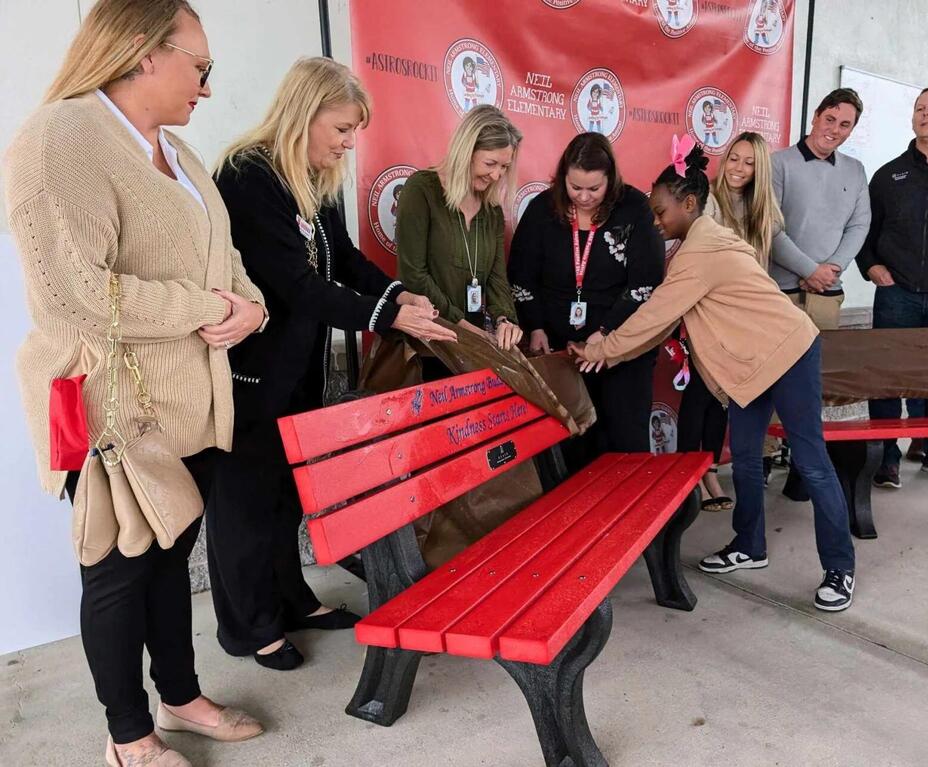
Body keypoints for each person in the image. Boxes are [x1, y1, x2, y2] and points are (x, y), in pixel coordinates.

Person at [3, 2, 265, 764]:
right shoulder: (59, 139)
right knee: (118, 572)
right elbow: (75, 293)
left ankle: (178, 697)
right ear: (145, 51)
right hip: (108, 407)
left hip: (189, 404)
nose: (209, 87)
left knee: (171, 559)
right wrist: (207, 308)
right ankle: (129, 736)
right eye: (201, 66)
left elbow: (224, 260)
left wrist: (249, 307)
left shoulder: (176, 152)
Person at [210, 58, 456, 671]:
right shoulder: (249, 176)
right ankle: (249, 626)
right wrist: (386, 317)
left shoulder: (311, 178)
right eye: (342, 129)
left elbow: (342, 258)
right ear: (305, 113)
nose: (349, 143)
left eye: (354, 132)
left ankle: (291, 600)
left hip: (298, 367)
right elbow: (295, 285)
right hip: (251, 372)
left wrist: (396, 295)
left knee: (286, 497)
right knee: (246, 503)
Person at [570, 141, 857, 612]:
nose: (655, 221)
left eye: (661, 211)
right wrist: (608, 351)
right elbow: (657, 325)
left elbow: (652, 319)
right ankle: (750, 545)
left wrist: (601, 350)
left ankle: (840, 569)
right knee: (743, 457)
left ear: (688, 204)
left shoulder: (699, 253)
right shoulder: (697, 245)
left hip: (788, 353)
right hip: (750, 366)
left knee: (811, 462)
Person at [508, 131, 664, 468]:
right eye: (575, 187)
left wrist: (607, 334)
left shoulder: (635, 209)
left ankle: (630, 515)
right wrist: (534, 326)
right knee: (572, 439)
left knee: (624, 436)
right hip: (561, 349)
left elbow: (646, 283)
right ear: (562, 177)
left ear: (611, 179)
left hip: (621, 346)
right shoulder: (542, 209)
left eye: (594, 188)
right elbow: (521, 276)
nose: (583, 196)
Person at [856, 85, 928, 489]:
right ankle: (885, 457)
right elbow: (866, 231)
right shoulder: (889, 174)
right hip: (896, 294)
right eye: (919, 108)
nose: (926, 113)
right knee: (884, 376)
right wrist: (871, 266)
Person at [771, 88, 871, 499]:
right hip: (780, 292)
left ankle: (804, 469)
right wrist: (808, 269)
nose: (835, 129)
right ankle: (764, 459)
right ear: (815, 116)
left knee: (816, 386)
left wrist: (832, 269)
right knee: (771, 380)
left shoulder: (855, 170)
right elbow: (770, 227)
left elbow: (859, 226)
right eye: (830, 119)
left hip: (827, 295)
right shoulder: (777, 164)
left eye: (845, 124)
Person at [689, 131, 785, 509]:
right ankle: (693, 477)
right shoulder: (707, 201)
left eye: (749, 163)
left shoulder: (763, 211)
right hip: (706, 314)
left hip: (741, 323)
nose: (739, 169)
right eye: (734, 159)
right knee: (699, 395)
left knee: (721, 399)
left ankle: (711, 466)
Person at [396, 104, 523, 362]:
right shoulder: (422, 190)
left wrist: (505, 319)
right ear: (467, 150)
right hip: (428, 342)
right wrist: (463, 325)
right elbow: (414, 275)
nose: (497, 174)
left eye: (504, 167)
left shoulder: (491, 212)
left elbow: (497, 278)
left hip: (472, 344)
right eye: (490, 163)